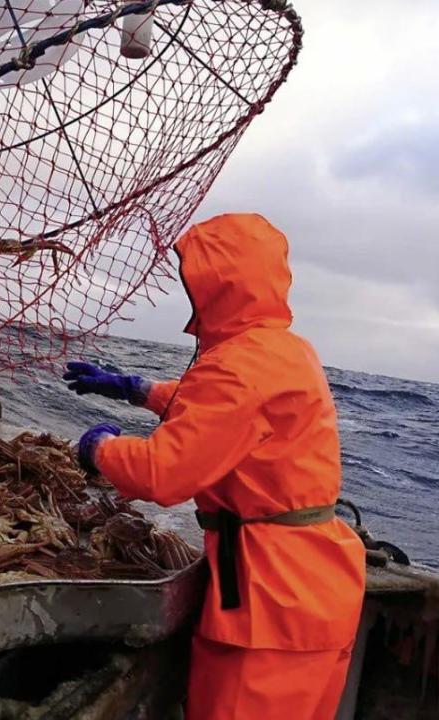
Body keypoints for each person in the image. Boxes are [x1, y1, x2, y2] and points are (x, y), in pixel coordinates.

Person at [66, 213, 366, 719]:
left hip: (267, 607)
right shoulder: (284, 350)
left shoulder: (235, 366)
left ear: (217, 285)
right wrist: (138, 389)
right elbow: (228, 417)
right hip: (318, 592)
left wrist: (99, 449)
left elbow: (162, 474)